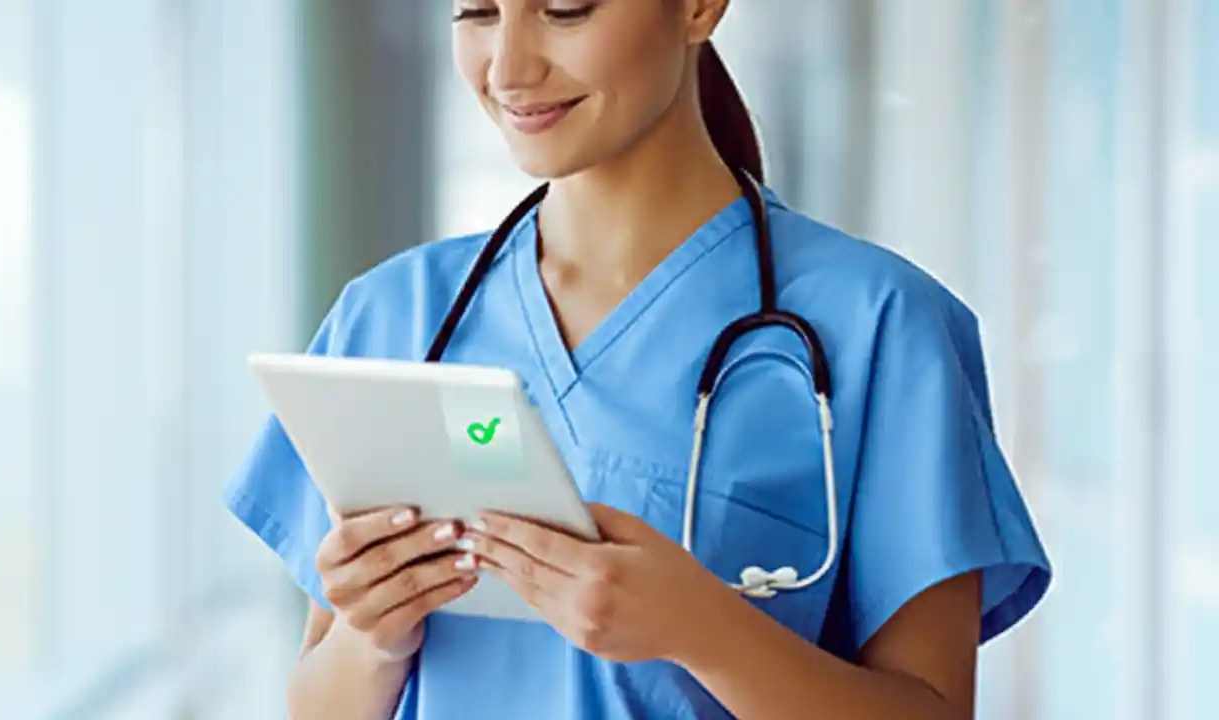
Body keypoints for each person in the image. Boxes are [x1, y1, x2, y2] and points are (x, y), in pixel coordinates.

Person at [223, 1, 1051, 718]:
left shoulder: (881, 326)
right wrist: (371, 637)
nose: (508, 68)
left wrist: (703, 630)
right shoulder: (391, 317)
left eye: (566, 9)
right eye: (477, 12)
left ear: (699, 7)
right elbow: (318, 703)